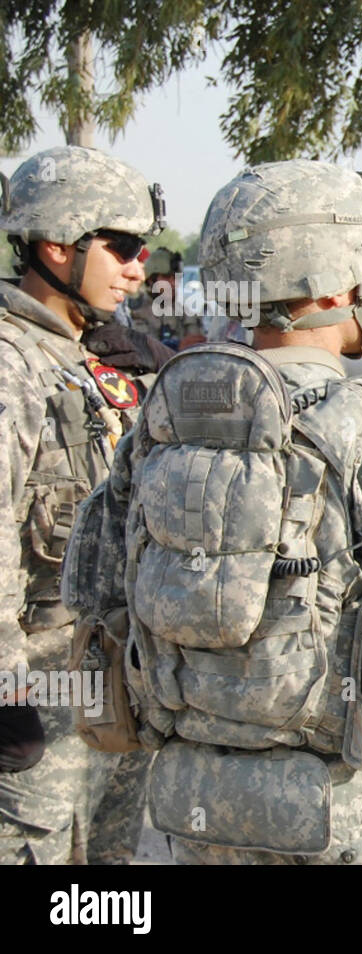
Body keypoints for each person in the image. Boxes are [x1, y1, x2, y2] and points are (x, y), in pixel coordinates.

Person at [62, 158, 362, 865]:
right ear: (334, 281)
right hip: (343, 819)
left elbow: (91, 596)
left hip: (194, 812)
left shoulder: (157, 427)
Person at [0, 145, 166, 864]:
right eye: (123, 246)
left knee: (108, 887)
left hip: (114, 690)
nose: (138, 267)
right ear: (56, 246)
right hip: (37, 692)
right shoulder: (11, 364)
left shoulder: (97, 362)